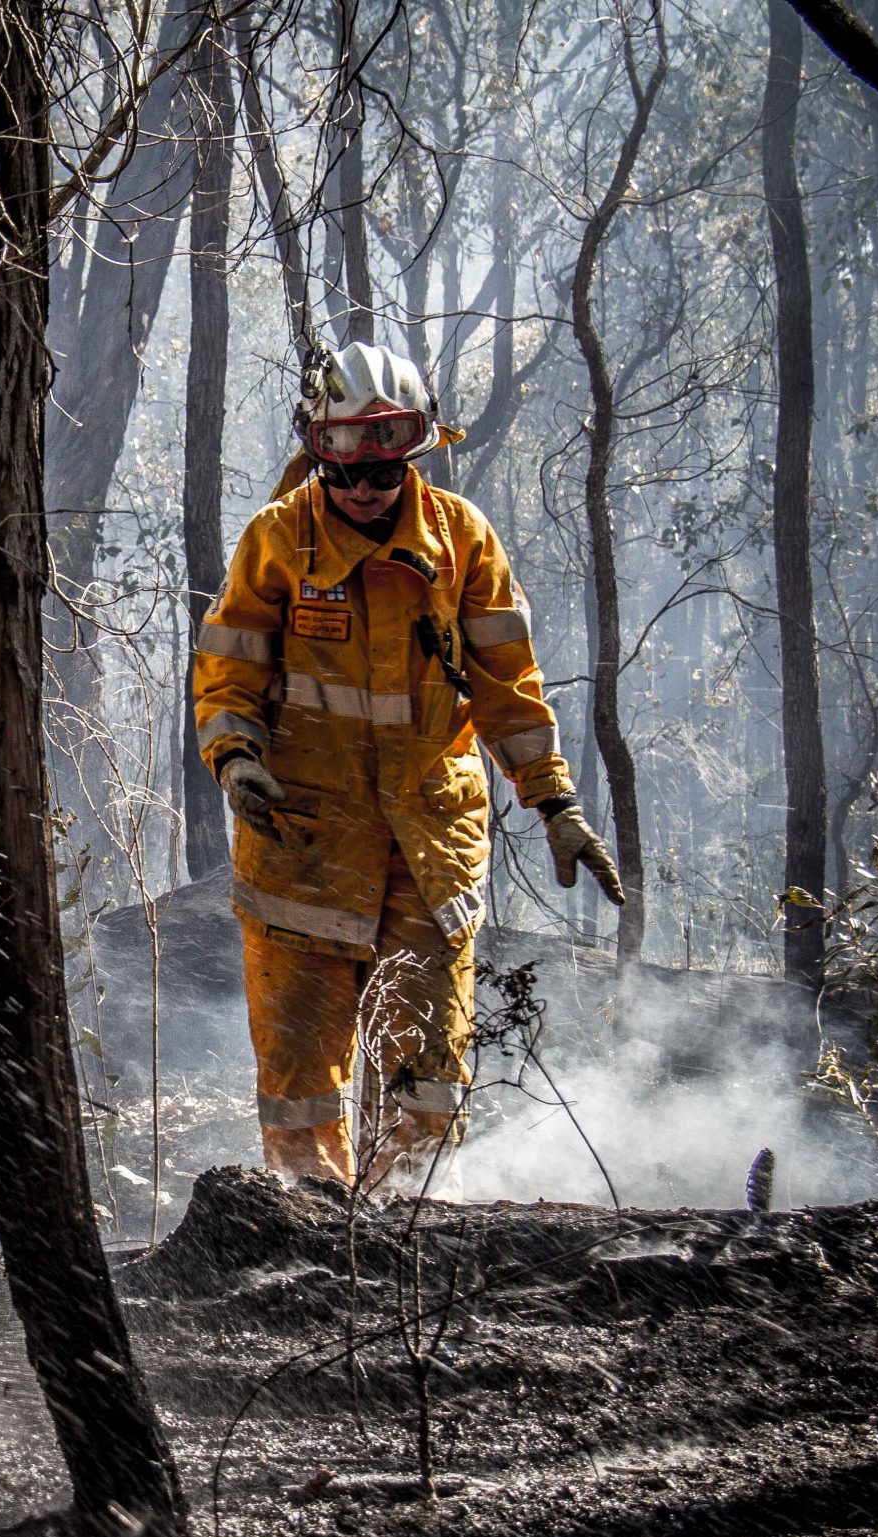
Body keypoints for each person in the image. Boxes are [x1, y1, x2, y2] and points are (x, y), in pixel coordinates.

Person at [192, 341, 622, 1188]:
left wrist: (556, 803)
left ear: (416, 450)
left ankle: (402, 1240)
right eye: (345, 466)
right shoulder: (277, 543)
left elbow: (510, 690)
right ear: (318, 452)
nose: (364, 487)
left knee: (427, 1075)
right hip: (303, 848)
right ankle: (308, 1239)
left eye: (384, 467)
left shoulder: (462, 543)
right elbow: (228, 671)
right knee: (301, 1079)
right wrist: (236, 759)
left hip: (428, 846)